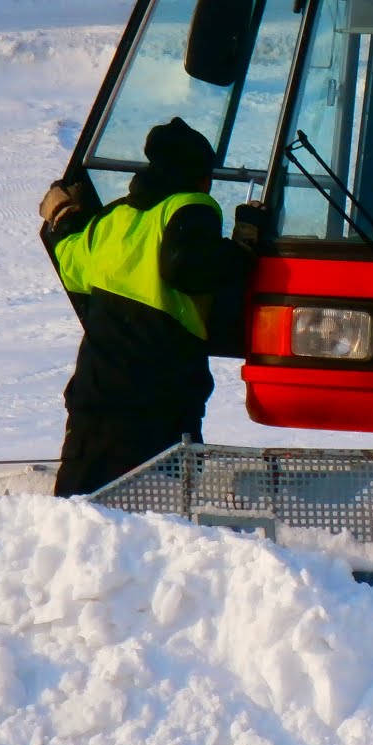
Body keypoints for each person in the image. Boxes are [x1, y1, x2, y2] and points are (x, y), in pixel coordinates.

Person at [38, 117, 253, 495]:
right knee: (163, 513)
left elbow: (71, 264)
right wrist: (245, 244)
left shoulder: (112, 218)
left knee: (79, 509)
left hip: (95, 398)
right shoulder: (190, 206)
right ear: (201, 177)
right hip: (161, 399)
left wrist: (65, 218)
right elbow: (189, 268)